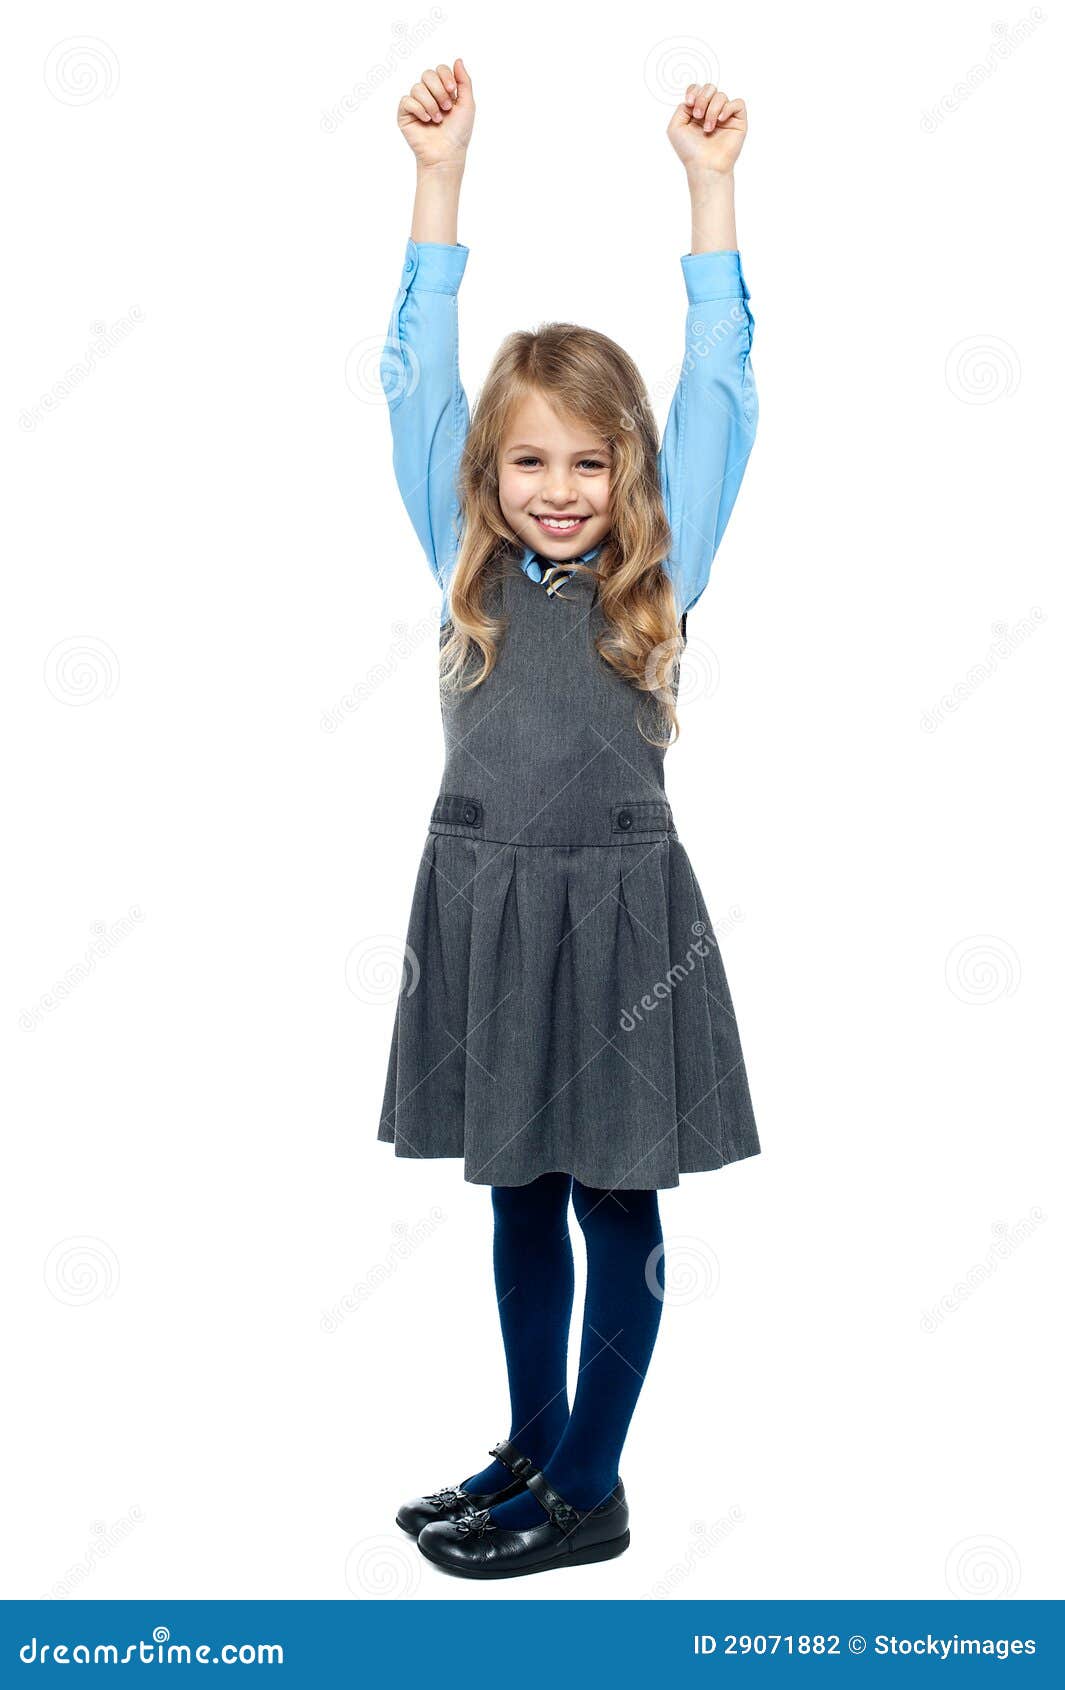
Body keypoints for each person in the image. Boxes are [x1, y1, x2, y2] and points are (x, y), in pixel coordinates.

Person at [376, 57, 761, 1579]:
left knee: (615, 1197)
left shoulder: (657, 579)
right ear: (486, 472)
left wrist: (711, 193)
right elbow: (415, 375)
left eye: (587, 461)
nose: (555, 487)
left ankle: (588, 1486)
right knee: (515, 1188)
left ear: (631, 474)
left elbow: (720, 389)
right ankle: (531, 1445)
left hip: (615, 924)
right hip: (484, 906)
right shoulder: (461, 558)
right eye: (527, 460)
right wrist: (437, 185)